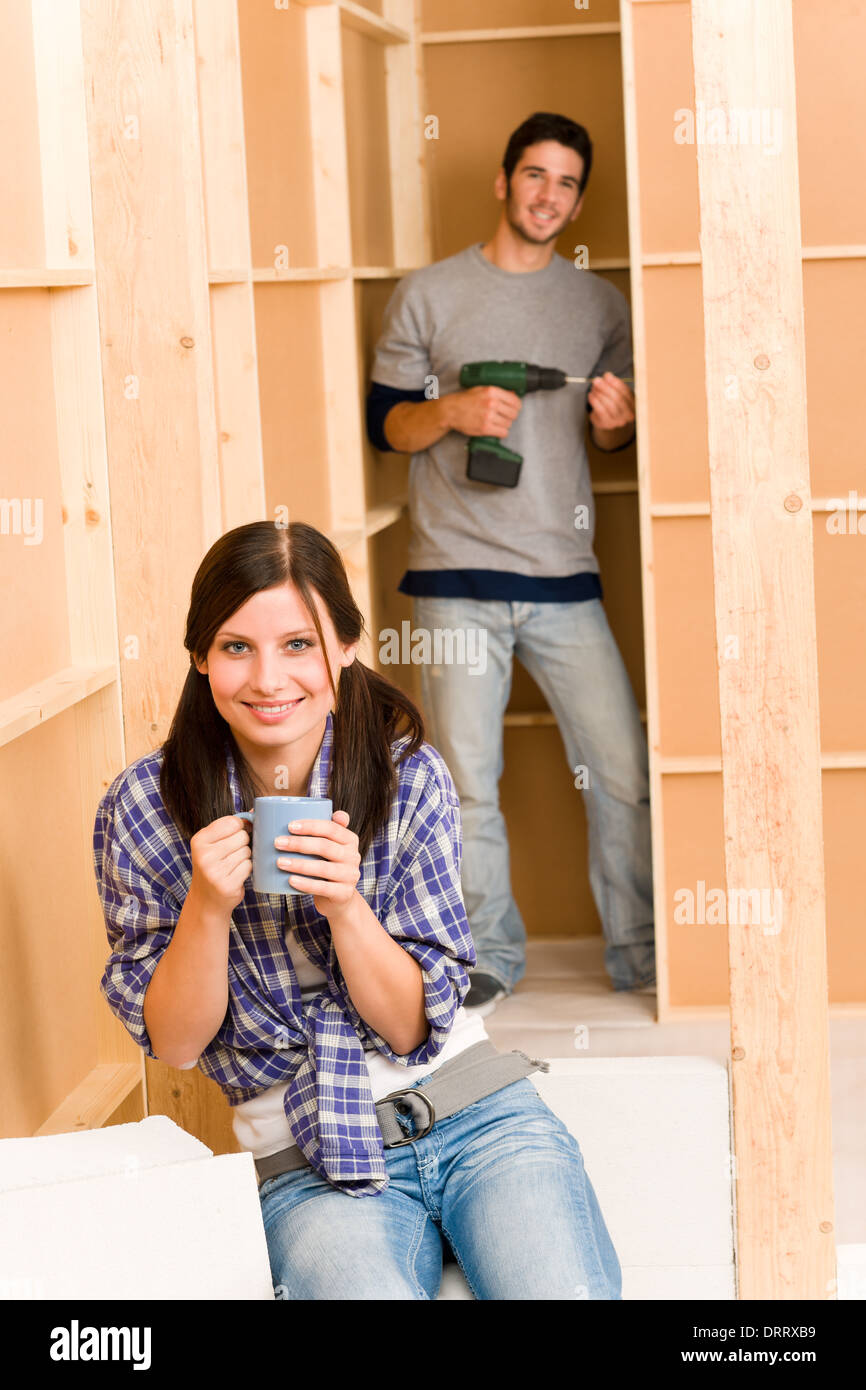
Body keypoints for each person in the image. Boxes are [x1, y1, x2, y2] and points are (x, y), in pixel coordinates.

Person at [92, 519, 622, 1301]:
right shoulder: (144, 805)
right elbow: (174, 1044)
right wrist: (206, 907)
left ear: (344, 645)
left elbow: (411, 1028)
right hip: (307, 1166)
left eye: (299, 644)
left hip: (477, 1115)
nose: (269, 679)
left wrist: (347, 908)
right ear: (200, 656)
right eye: (237, 647)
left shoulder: (409, 777)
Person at [365, 111, 655, 1013]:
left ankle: (641, 956)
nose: (548, 195)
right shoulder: (429, 295)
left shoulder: (600, 307)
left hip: (565, 579)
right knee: (463, 783)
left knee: (622, 775)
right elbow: (386, 425)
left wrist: (619, 426)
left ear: (578, 199)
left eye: (567, 183)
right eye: (535, 175)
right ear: (503, 180)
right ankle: (488, 956)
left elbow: (617, 445)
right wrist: (448, 412)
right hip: (454, 580)